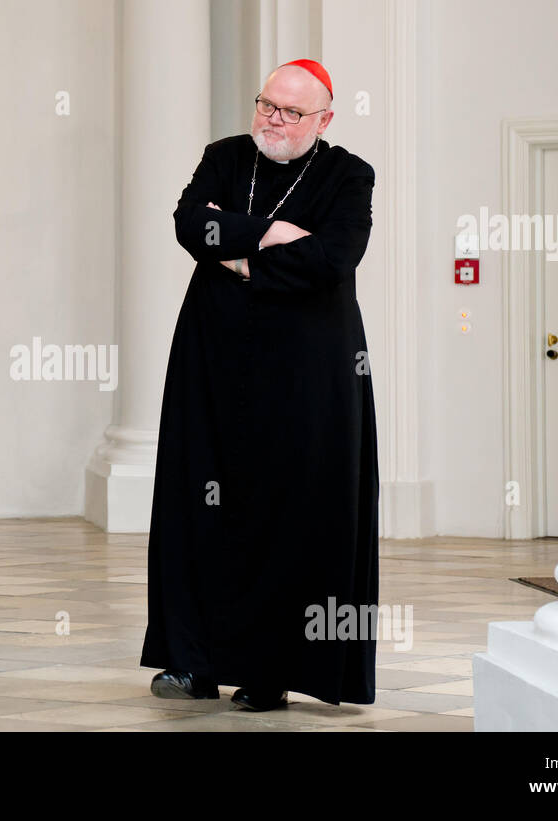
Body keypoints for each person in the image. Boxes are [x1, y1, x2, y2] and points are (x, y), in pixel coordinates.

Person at [140, 59, 379, 712]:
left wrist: (236, 256)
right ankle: (192, 663)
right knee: (198, 505)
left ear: (324, 119)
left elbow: (333, 258)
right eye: (267, 105)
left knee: (289, 514)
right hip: (211, 363)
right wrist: (270, 235)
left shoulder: (347, 175)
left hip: (307, 374)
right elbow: (192, 224)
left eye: (291, 112)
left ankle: (269, 672)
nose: (273, 120)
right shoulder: (224, 157)